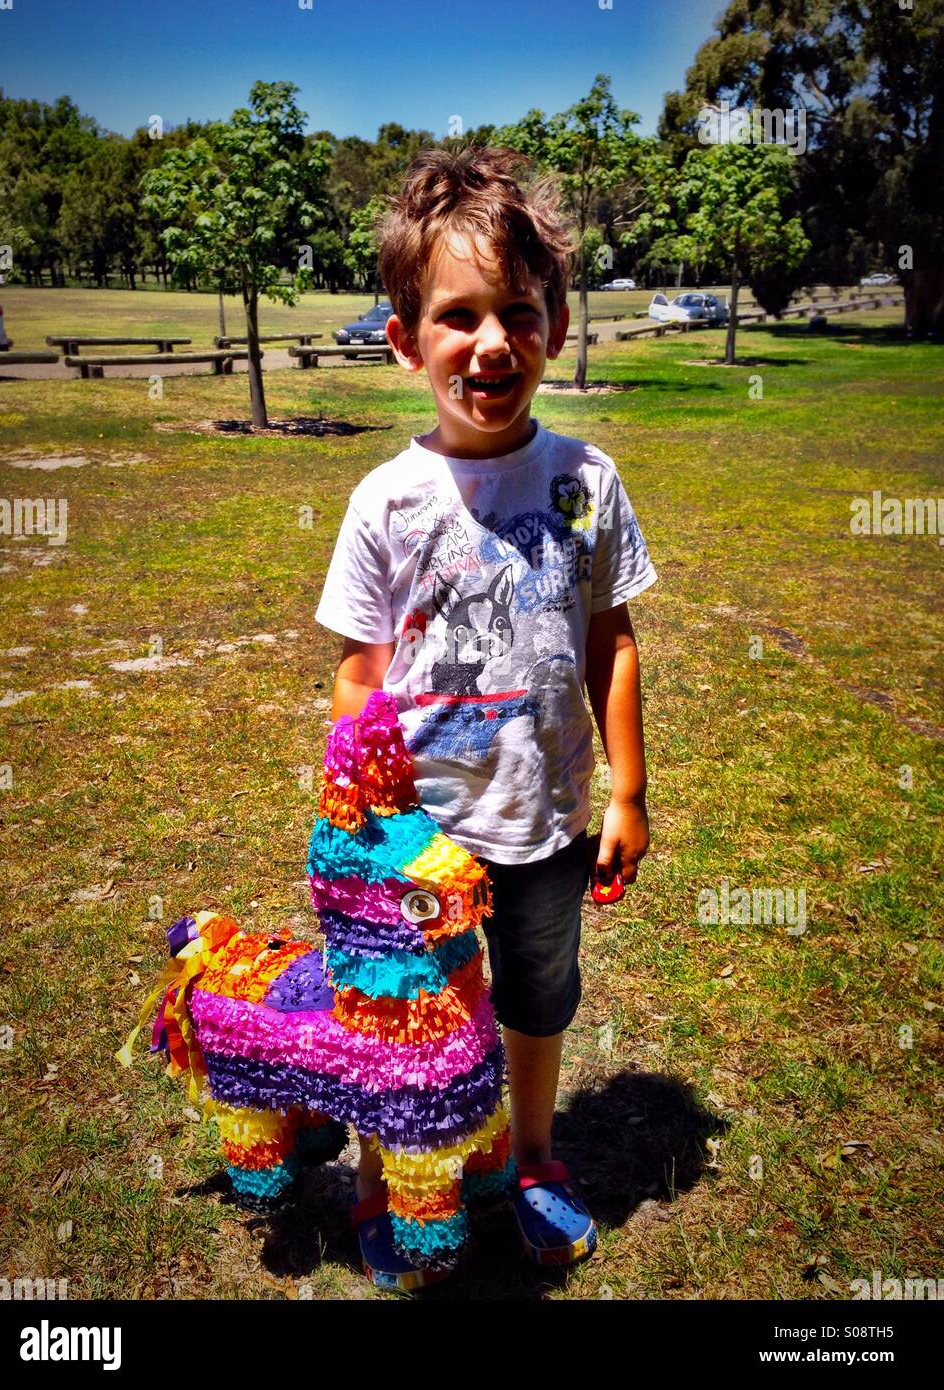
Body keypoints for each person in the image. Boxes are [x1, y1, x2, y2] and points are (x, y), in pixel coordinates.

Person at [314, 143, 657, 1281]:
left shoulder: (586, 480)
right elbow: (360, 679)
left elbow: (612, 638)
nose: (491, 342)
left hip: (548, 826)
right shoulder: (383, 502)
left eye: (516, 310)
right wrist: (359, 827)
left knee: (536, 997)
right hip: (415, 842)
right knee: (398, 1013)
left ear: (554, 323)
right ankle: (378, 1174)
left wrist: (628, 790)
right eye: (457, 317)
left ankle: (531, 1154)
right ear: (405, 340)